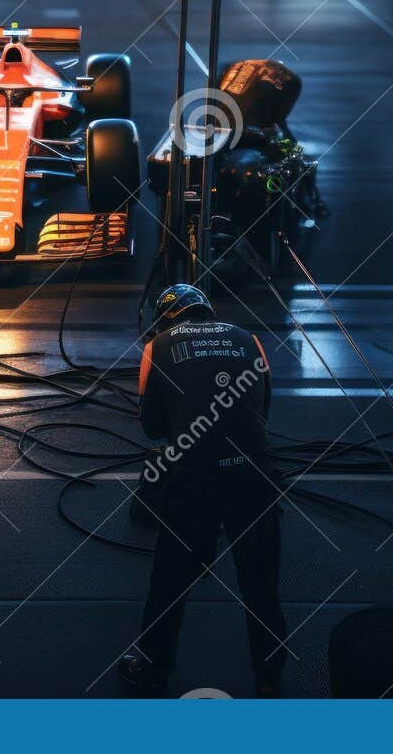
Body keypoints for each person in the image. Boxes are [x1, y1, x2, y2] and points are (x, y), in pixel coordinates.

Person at [117, 284, 286, 697]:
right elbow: (263, 410)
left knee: (170, 580)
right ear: (207, 311)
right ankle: (269, 679)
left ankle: (153, 670)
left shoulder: (156, 347)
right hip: (254, 476)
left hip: (195, 478)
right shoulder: (250, 340)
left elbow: (154, 429)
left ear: (164, 318)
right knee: (260, 584)